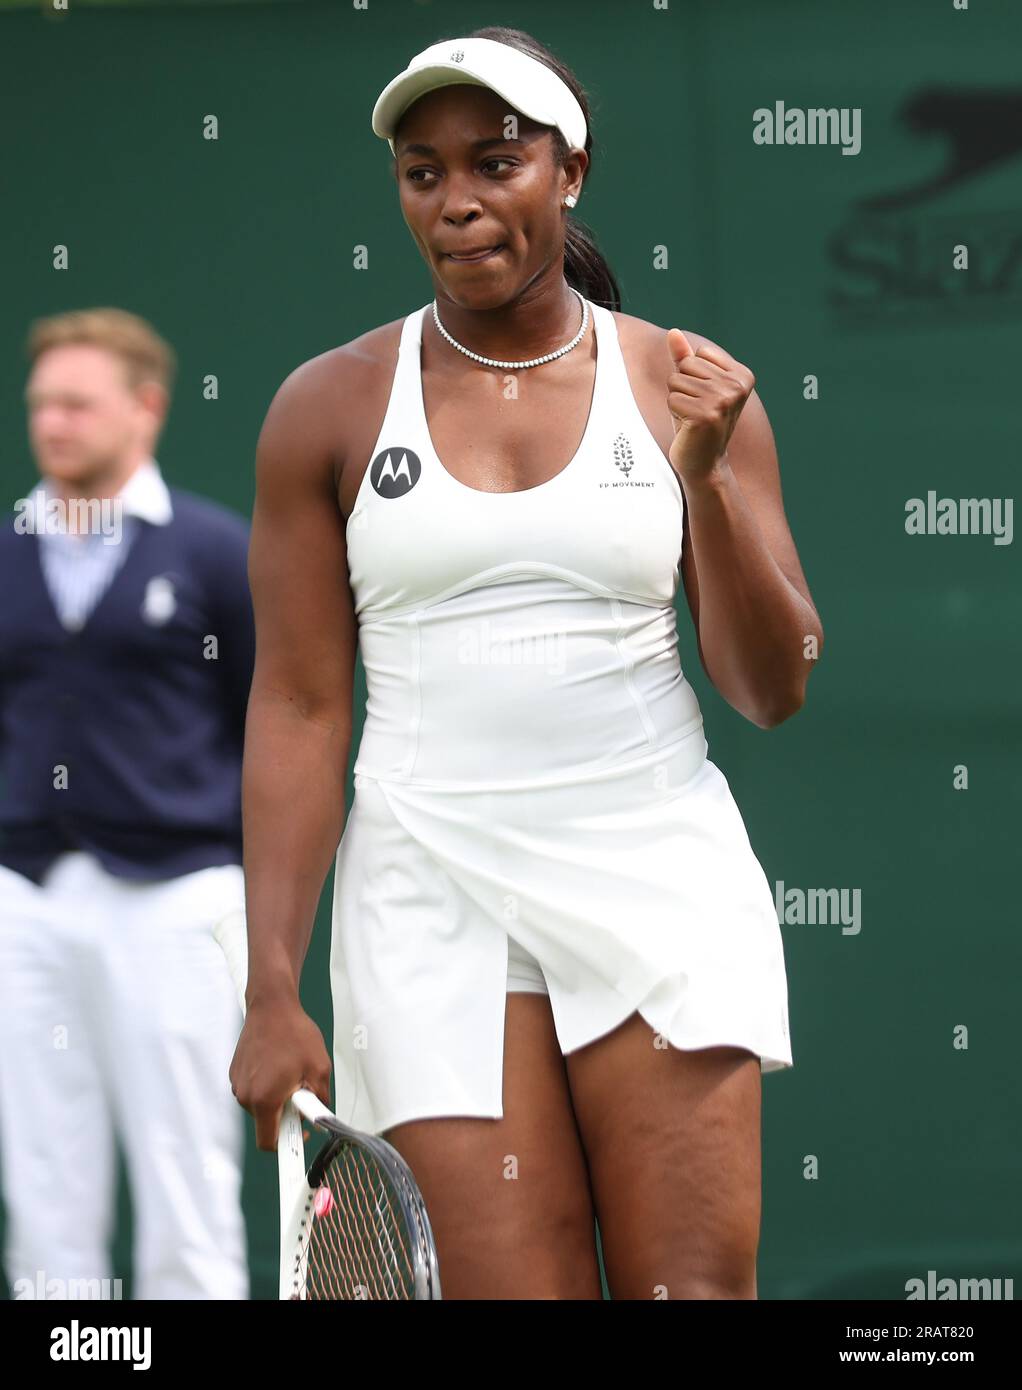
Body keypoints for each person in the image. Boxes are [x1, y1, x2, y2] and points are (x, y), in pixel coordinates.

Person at [229, 26, 823, 1300]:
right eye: (422, 172)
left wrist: (704, 481)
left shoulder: (683, 389)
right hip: (423, 895)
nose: (456, 204)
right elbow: (295, 704)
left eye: (495, 163)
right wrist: (270, 983)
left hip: (650, 870)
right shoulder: (324, 407)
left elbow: (772, 686)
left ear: (570, 170)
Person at [0, 308, 254, 1300]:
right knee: (42, 1179)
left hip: (179, 898)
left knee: (186, 1170)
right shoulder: (7, 554)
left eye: (76, 402)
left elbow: (267, 715)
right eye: (39, 405)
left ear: (146, 408)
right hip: (25, 899)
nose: (53, 423)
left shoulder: (211, 552)